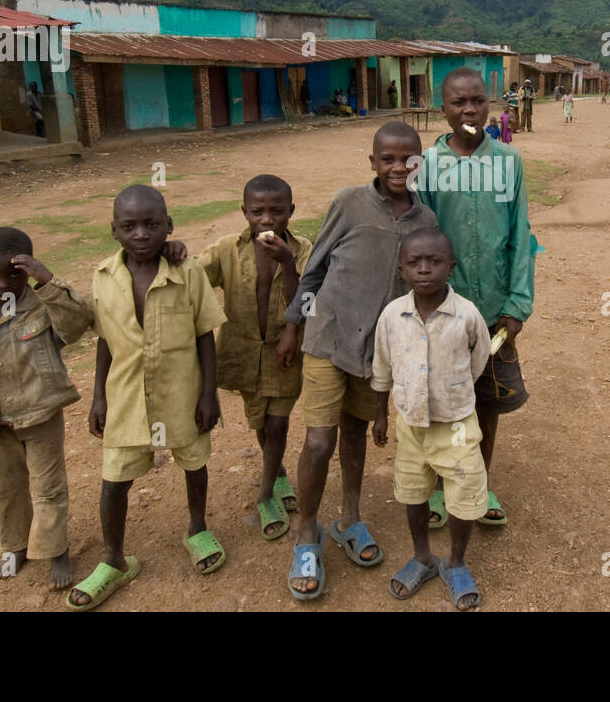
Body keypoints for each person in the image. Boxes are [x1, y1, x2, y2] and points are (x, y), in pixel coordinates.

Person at [277, 122, 437, 600]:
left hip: (377, 352)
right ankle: (308, 533)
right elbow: (316, 267)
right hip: (329, 339)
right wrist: (292, 323)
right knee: (320, 441)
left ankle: (350, 518)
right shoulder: (348, 203)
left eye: (408, 159)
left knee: (354, 436)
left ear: (419, 163)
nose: (397, 167)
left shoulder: (426, 220)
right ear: (372, 162)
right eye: (387, 158)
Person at [67, 185, 228, 610]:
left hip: (182, 391)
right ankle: (115, 559)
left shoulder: (187, 271)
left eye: (152, 224)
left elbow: (204, 335)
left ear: (168, 226)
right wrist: (98, 397)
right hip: (125, 397)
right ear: (114, 231)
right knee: (114, 477)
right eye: (129, 226)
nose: (141, 233)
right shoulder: (104, 277)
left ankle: (196, 527)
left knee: (194, 461)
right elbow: (104, 340)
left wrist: (209, 394)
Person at [0, 227, 92, 593]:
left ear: (28, 271)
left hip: (41, 417)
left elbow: (78, 325)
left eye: (14, 274)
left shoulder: (43, 306)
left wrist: (48, 283)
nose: (2, 284)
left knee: (48, 487)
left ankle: (56, 551)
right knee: (6, 490)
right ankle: (15, 548)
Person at [417, 67, 534, 529]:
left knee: (487, 399)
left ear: (490, 105)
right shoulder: (427, 166)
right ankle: (437, 487)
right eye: (458, 102)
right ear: (442, 108)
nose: (469, 110)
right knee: (438, 399)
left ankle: (478, 483)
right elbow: (419, 240)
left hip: (493, 310)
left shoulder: (509, 162)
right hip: (442, 309)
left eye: (477, 101)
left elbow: (520, 237)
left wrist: (517, 303)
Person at [374, 229, 489, 610]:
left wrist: (452, 394)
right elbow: (383, 367)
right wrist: (380, 417)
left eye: (434, 261)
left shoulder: (466, 315)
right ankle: (422, 555)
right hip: (409, 425)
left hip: (455, 426)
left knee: (463, 492)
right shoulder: (392, 315)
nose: (424, 269)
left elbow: (478, 361)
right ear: (402, 268)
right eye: (414, 262)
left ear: (451, 267)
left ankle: (455, 562)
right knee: (412, 490)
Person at [196, 175, 312, 540]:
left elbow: (309, 301)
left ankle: (264, 495)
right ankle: (275, 472)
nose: (267, 220)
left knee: (278, 424)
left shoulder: (304, 249)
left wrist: (289, 264)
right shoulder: (227, 249)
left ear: (290, 212)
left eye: (276, 211)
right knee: (260, 422)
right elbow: (194, 279)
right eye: (258, 212)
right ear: (244, 212)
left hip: (285, 351)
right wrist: (175, 254)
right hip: (243, 353)